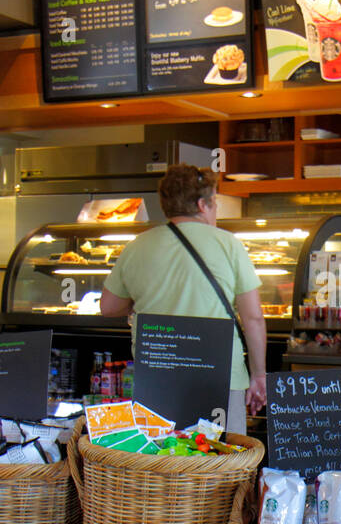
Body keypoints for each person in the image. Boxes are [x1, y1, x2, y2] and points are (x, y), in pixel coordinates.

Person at [99, 164, 266, 433]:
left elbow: (108, 307)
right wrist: (259, 375)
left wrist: (143, 296)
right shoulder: (229, 244)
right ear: (202, 205)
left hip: (158, 378)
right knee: (226, 463)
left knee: (163, 464)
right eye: (215, 205)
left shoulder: (137, 246)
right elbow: (253, 317)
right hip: (220, 376)